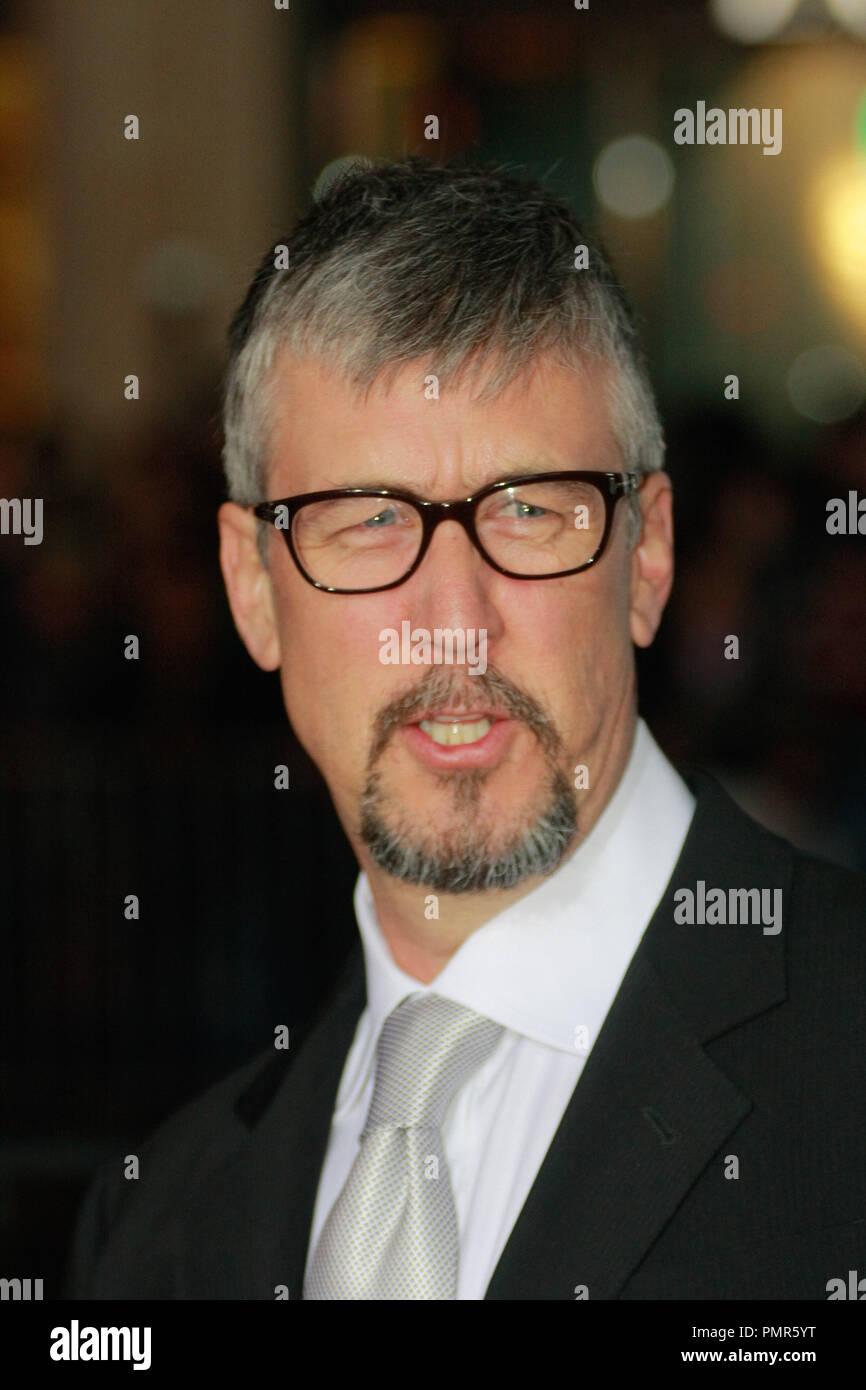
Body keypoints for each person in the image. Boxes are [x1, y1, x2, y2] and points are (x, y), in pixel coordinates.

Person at [65, 157, 866, 1301]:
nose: (450, 626)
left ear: (645, 559)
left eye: (528, 510)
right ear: (251, 586)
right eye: (367, 520)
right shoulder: (156, 1231)